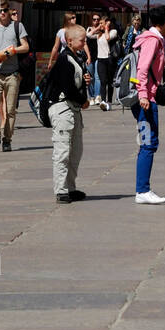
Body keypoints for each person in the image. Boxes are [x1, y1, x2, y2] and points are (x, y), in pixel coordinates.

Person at [132, 5, 165, 205]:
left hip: (145, 98)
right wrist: (144, 95)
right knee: (148, 143)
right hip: (146, 101)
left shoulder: (148, 38)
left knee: (147, 142)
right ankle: (142, 190)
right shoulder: (152, 41)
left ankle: (143, 188)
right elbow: (142, 68)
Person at [47, 23, 92, 203]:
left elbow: (76, 81)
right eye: (82, 40)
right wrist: (84, 101)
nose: (84, 42)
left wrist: (85, 79)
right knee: (62, 151)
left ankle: (71, 187)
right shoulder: (64, 59)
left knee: (76, 151)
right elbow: (67, 87)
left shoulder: (77, 56)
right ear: (70, 41)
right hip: (62, 109)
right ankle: (61, 190)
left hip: (73, 109)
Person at [0, 4, 29, 153]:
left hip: (12, 74)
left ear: (9, 11)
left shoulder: (17, 26)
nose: (2, 13)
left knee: (10, 110)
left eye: (5, 10)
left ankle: (7, 139)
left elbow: (26, 47)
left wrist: (12, 51)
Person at [94, 15, 119, 110]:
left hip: (110, 59)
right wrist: (99, 27)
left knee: (109, 82)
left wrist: (107, 28)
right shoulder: (98, 34)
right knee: (103, 81)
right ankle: (103, 101)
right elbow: (88, 34)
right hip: (100, 59)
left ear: (107, 23)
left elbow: (108, 38)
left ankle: (109, 102)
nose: (99, 24)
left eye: (101, 23)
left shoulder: (113, 31)